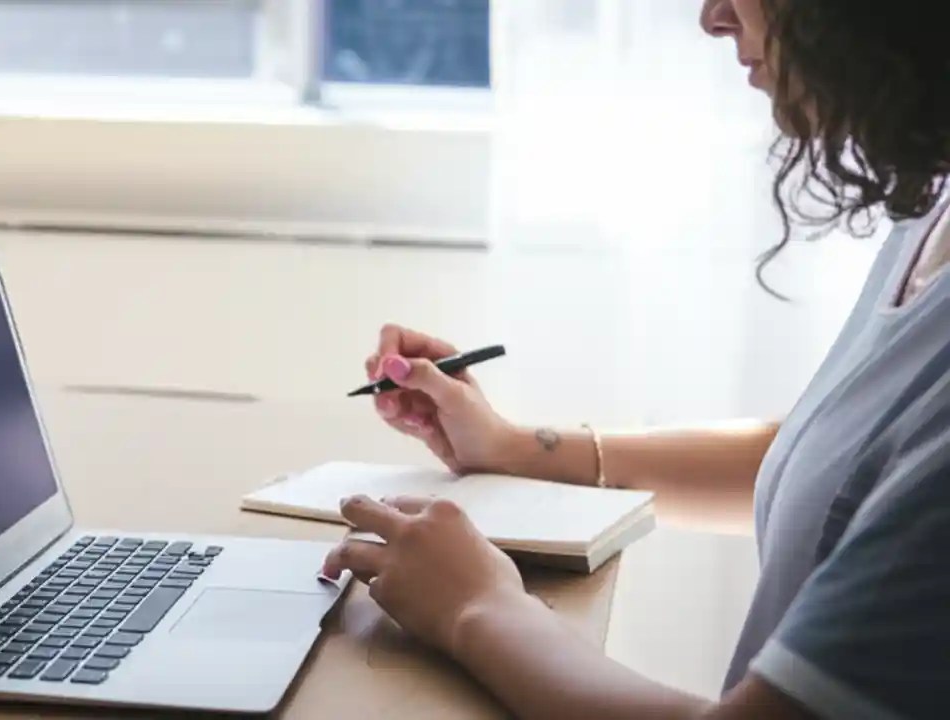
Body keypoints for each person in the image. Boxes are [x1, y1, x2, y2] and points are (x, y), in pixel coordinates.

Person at [321, 1, 950, 718]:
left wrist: (480, 609)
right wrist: (517, 448)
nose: (712, 16)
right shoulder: (933, 212)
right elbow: (838, 464)